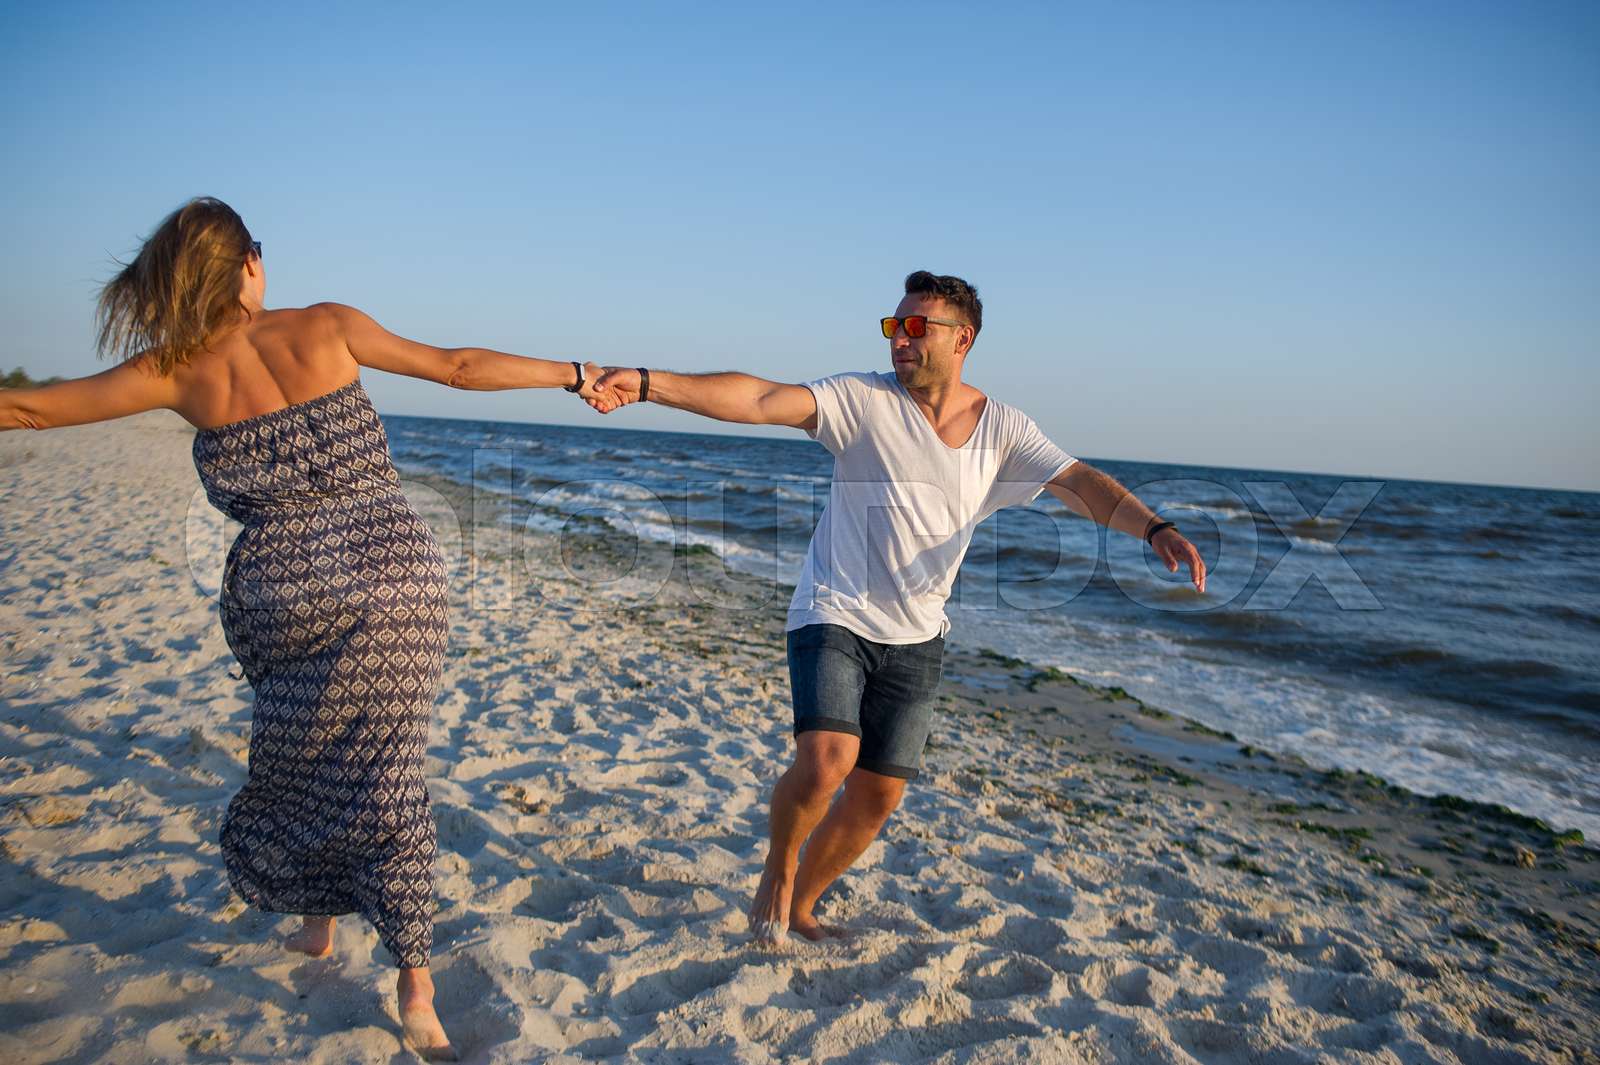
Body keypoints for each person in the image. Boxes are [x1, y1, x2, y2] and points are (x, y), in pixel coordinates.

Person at [0, 196, 612, 1059]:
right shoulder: (326, 325)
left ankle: (324, 928)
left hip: (285, 585)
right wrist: (577, 373)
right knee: (387, 762)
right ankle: (414, 984)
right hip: (391, 567)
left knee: (307, 749)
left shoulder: (174, 369)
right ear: (248, 263)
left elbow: (30, 410)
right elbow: (461, 366)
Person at [587, 271, 1207, 945]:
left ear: (962, 338)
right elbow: (762, 397)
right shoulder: (863, 399)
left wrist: (1154, 526)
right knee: (828, 761)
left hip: (917, 634)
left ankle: (803, 906)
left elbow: (1078, 481)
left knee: (878, 797)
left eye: (917, 327)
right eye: (893, 326)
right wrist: (648, 382)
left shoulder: (1003, 429)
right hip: (834, 610)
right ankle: (779, 867)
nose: (899, 340)